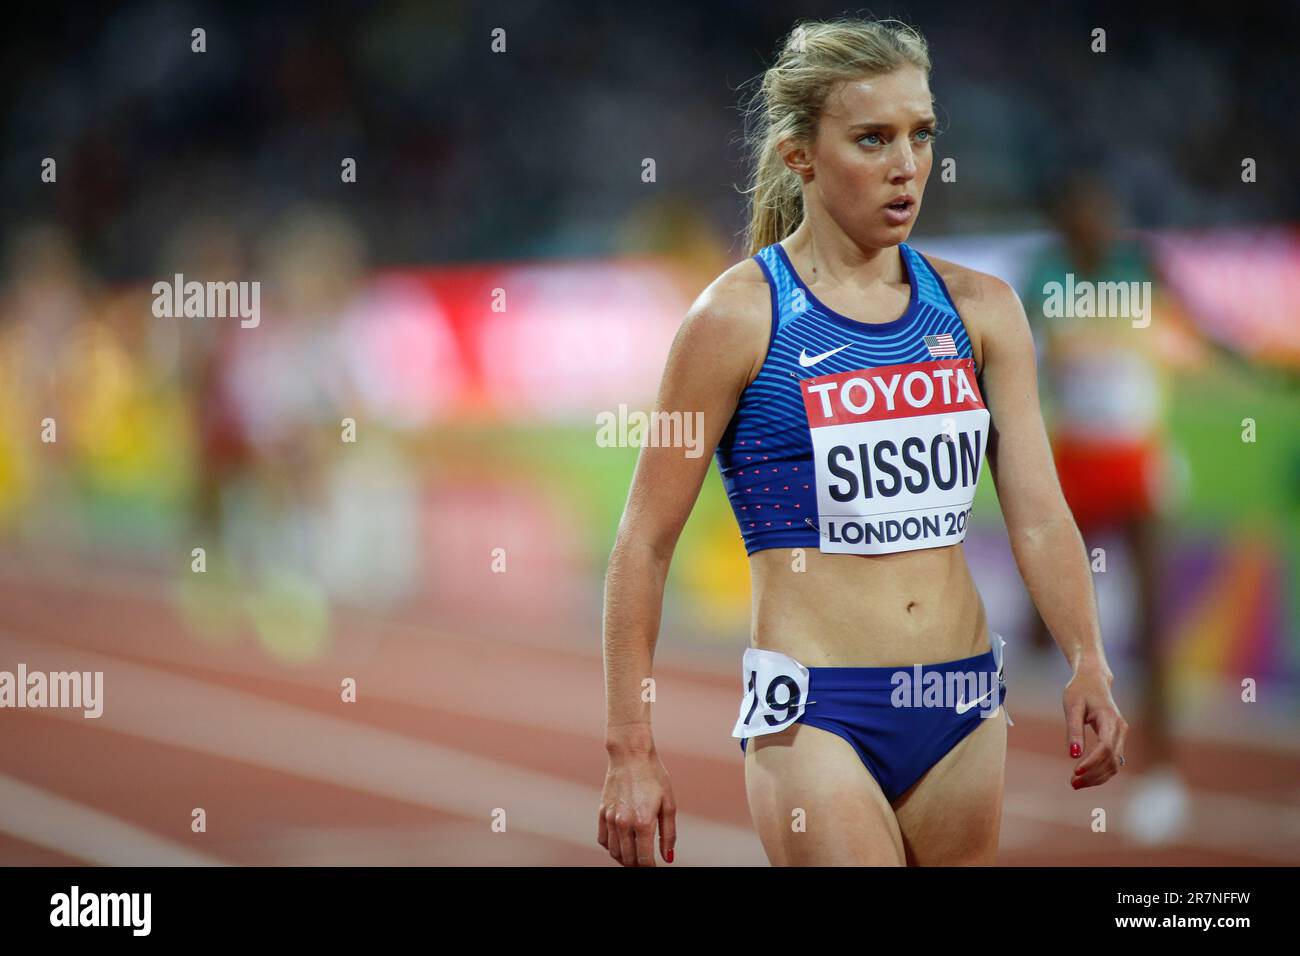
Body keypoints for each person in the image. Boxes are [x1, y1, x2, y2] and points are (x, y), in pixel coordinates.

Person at [598, 17, 1127, 867]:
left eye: (921, 134)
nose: (906, 164)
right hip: (817, 712)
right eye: (872, 138)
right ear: (799, 154)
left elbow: (1037, 515)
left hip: (961, 704)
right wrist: (630, 746)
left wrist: (1088, 660)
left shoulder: (983, 311)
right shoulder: (734, 320)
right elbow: (645, 540)